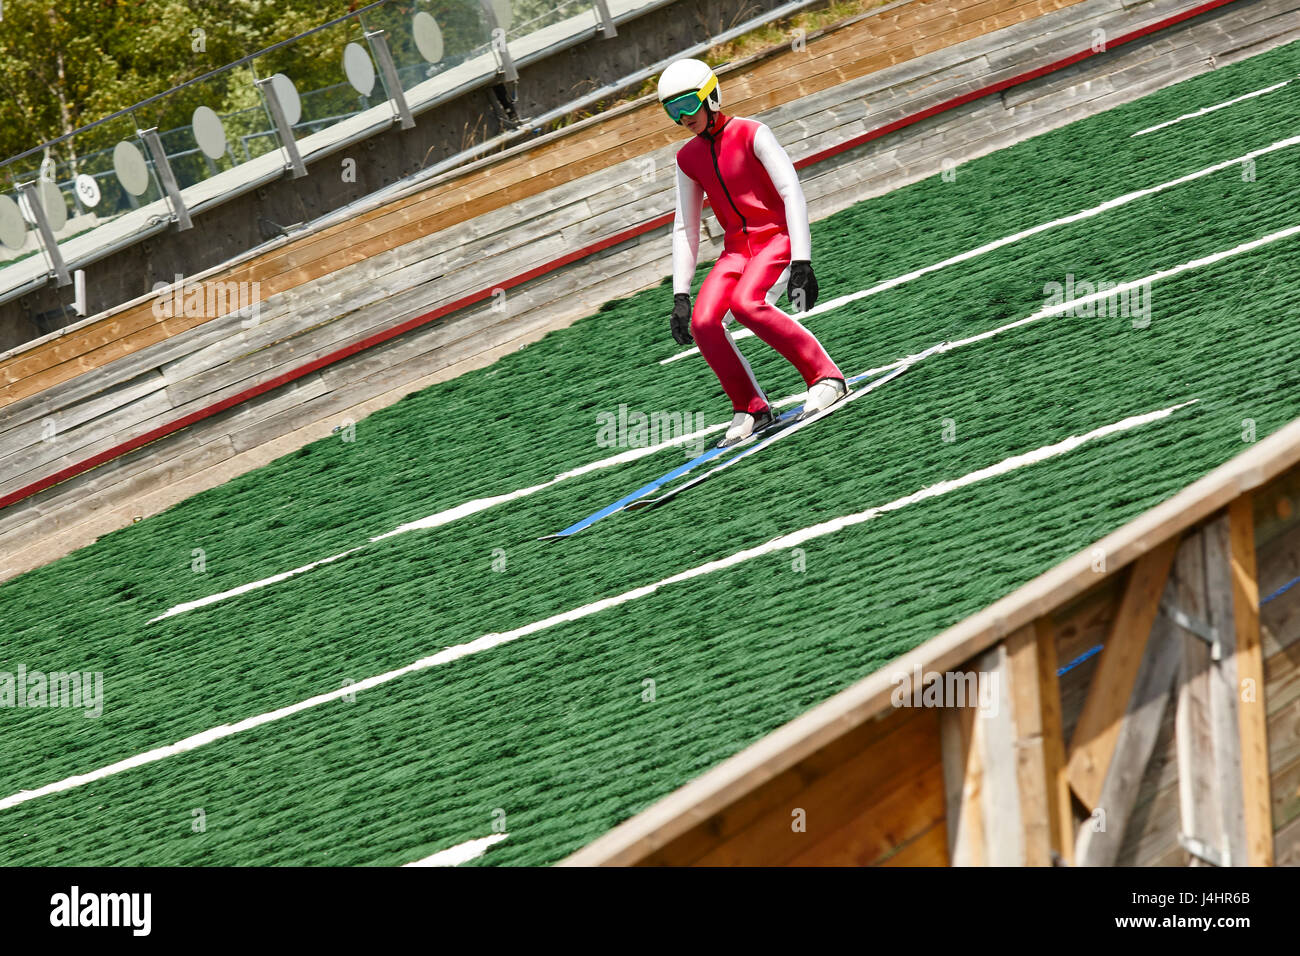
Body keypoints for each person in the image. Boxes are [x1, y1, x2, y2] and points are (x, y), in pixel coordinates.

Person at [659, 58, 846, 448]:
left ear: (711, 96)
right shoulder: (686, 159)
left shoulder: (753, 133)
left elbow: (791, 191)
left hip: (776, 238)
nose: (683, 118)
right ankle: (751, 407)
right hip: (735, 251)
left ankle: (825, 376)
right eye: (672, 111)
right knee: (704, 322)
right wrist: (680, 294)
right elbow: (685, 227)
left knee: (747, 303)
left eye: (688, 105)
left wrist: (802, 261)